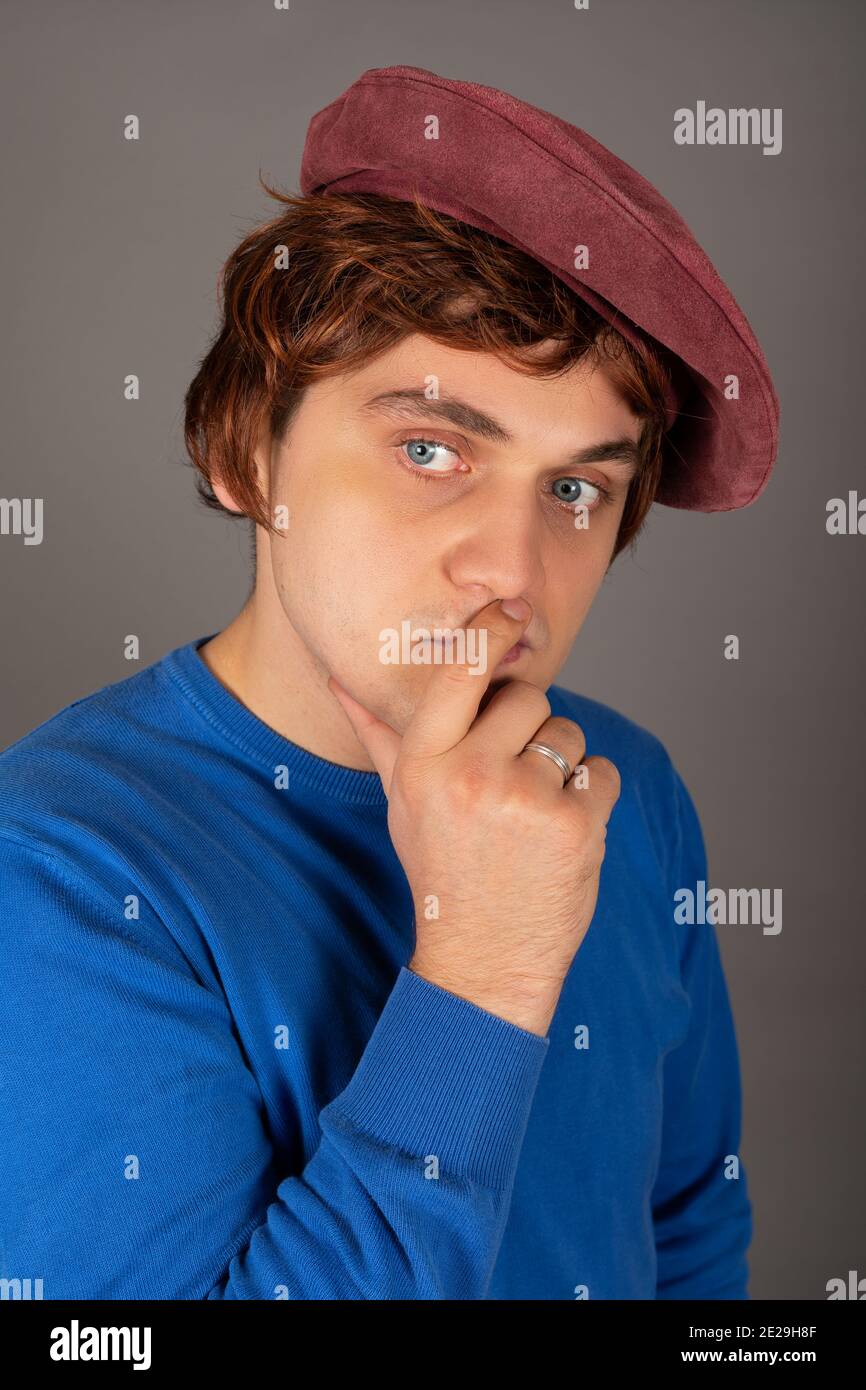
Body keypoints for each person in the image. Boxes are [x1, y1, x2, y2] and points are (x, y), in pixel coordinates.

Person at [0, 66, 778, 1300]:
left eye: (576, 487)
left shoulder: (630, 795)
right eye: (430, 448)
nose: (511, 569)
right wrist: (484, 966)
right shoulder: (58, 867)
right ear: (243, 448)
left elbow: (683, 1235)